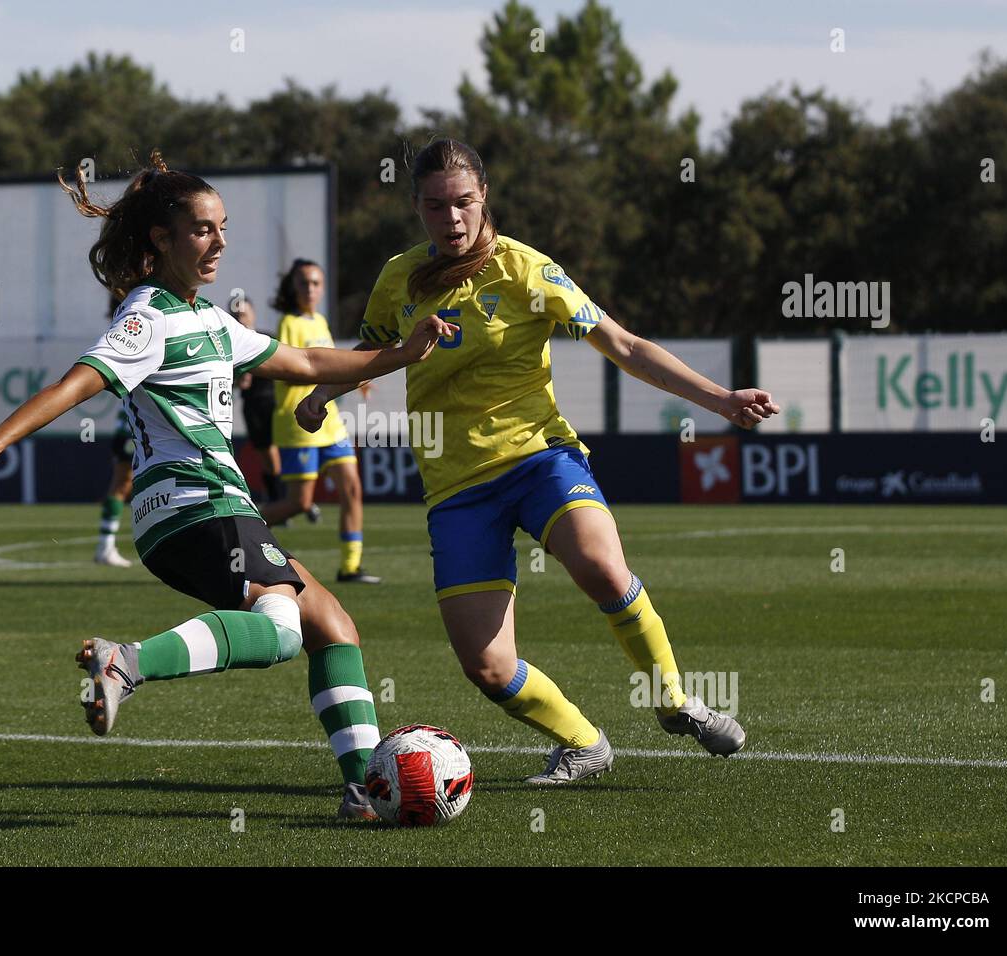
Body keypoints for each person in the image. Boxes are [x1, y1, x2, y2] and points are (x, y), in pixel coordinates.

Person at [0, 150, 454, 817]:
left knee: (333, 626)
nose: (219, 242)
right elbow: (77, 381)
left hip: (203, 513)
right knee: (285, 628)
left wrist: (402, 353)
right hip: (195, 504)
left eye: (223, 227)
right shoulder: (147, 318)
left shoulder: (210, 321)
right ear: (162, 239)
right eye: (203, 229)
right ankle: (129, 663)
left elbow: (304, 359)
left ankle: (361, 789)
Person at [298, 138, 780, 785]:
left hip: (538, 457)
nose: (452, 219)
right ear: (416, 207)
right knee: (488, 666)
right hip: (456, 488)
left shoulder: (529, 271)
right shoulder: (400, 278)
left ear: (484, 197)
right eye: (436, 206)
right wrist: (323, 393)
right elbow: (374, 348)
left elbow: (626, 345)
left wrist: (720, 399)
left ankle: (674, 700)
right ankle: (584, 742)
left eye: (463, 202)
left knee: (603, 568)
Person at [261, 260, 379, 583]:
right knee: (299, 503)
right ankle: (244, 524)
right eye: (303, 283)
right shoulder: (289, 323)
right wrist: (332, 375)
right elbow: (287, 372)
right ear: (293, 288)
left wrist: (355, 377)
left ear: (323, 287)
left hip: (331, 423)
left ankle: (350, 567)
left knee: (352, 488)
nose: (310, 289)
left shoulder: (321, 322)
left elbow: (329, 366)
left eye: (315, 283)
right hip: (298, 423)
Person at [229, 296, 287, 506]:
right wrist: (238, 380)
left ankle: (285, 499)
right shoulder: (229, 345)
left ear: (253, 313)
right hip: (253, 406)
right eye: (236, 315)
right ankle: (277, 500)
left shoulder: (266, 338)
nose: (240, 318)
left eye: (243, 314)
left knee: (277, 451)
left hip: (274, 403)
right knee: (265, 452)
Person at [94, 405, 135, 567]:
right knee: (123, 484)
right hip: (133, 432)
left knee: (122, 484)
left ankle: (105, 546)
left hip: (126, 431)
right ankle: (105, 547)